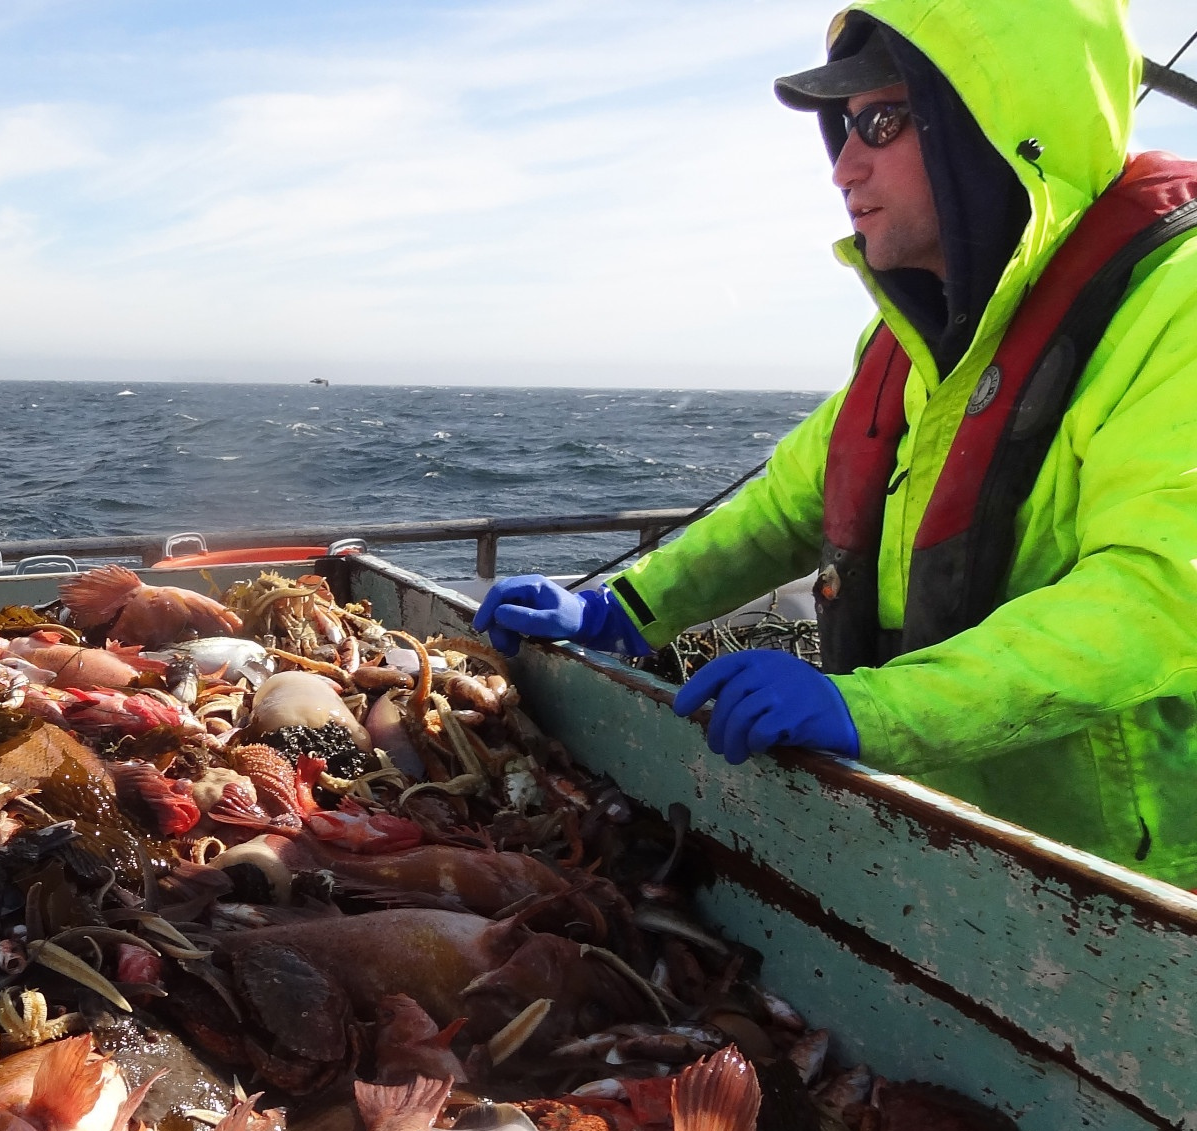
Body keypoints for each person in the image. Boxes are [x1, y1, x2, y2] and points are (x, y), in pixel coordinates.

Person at [474, 0, 1197, 888]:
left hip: (1127, 898)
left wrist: (873, 709)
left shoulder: (1177, 303)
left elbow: (1154, 599)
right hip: (924, 842)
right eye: (842, 130)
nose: (844, 166)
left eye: (882, 123)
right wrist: (623, 605)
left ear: (996, 127)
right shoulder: (909, 339)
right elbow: (787, 505)